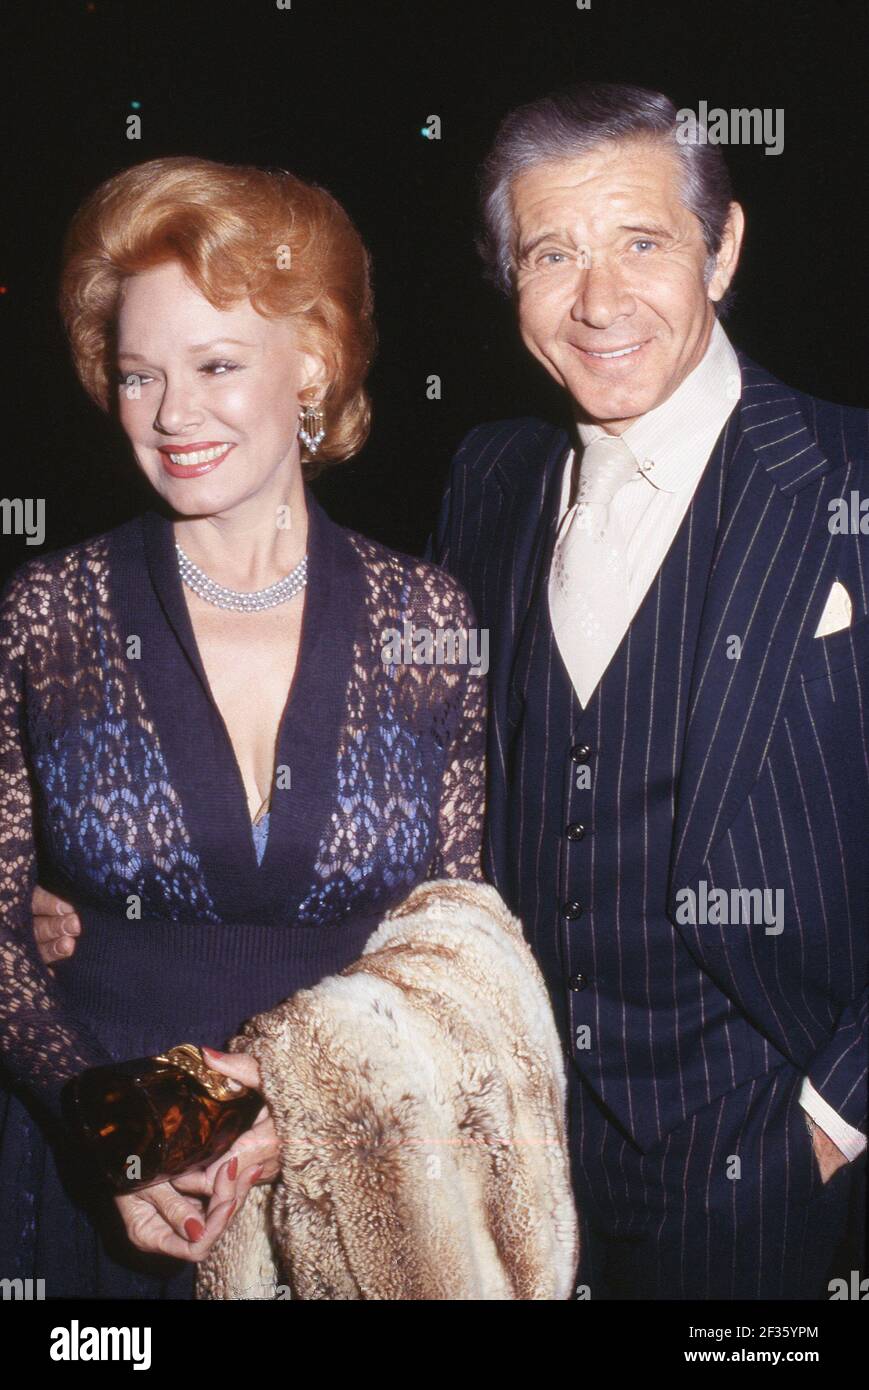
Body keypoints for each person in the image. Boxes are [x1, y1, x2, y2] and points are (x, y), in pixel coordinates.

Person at [1, 155, 489, 1299]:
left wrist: (300, 1100)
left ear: (311, 361)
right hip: (100, 1195)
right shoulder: (46, 615)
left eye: (216, 364)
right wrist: (113, 1129)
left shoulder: (426, 619)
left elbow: (455, 946)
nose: (171, 414)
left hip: (355, 1191)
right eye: (138, 375)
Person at [425, 82, 867, 1299]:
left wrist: (832, 1118)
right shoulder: (487, 476)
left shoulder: (849, 476)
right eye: (550, 254)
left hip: (766, 1156)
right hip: (520, 1154)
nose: (597, 301)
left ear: (720, 250)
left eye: (639, 243)